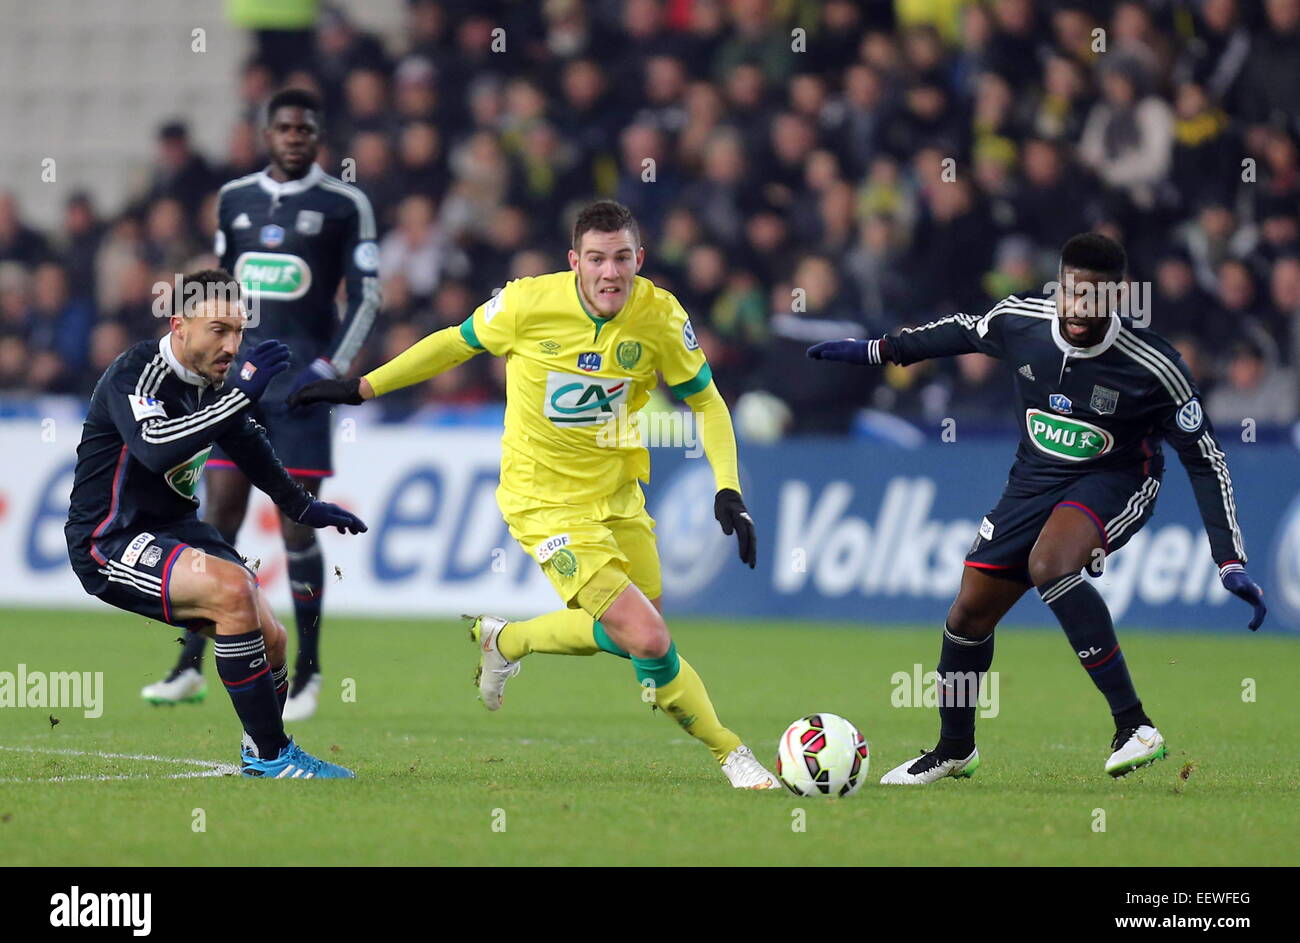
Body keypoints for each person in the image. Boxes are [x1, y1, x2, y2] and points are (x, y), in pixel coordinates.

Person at [290, 199, 780, 789]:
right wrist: (363, 387)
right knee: (650, 638)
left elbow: (706, 401)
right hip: (543, 502)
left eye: (622, 258)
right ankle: (732, 753)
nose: (610, 273)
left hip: (619, 495)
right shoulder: (526, 303)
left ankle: (508, 638)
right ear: (574, 261)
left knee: (634, 636)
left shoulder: (660, 316)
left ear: (640, 259)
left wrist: (728, 488)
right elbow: (453, 344)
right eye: (596, 259)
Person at [808, 232, 1266, 783]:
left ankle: (1135, 726)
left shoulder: (1153, 366)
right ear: (1059, 286)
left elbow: (1205, 460)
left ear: (1117, 297)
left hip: (1117, 479)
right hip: (1033, 481)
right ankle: (955, 750)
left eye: (1093, 296)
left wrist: (1229, 558)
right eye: (1071, 292)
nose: (1079, 307)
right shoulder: (1021, 322)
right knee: (967, 615)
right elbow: (960, 332)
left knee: (1050, 564)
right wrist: (879, 350)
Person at [65, 269, 368, 778]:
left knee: (272, 639)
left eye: (239, 331)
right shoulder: (135, 373)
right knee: (231, 591)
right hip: (110, 538)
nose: (232, 345)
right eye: (219, 330)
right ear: (179, 326)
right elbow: (155, 447)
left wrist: (301, 506)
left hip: (176, 528)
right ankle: (272, 756)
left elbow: (246, 443)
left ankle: (259, 747)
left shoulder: (212, 381)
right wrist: (238, 398)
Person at [143, 89, 381, 721]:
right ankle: (188, 667)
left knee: (296, 524)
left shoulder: (344, 204)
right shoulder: (235, 198)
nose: (294, 136)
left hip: (300, 391)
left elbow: (367, 295)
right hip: (235, 386)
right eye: (284, 127)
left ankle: (308, 673)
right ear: (266, 133)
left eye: (305, 128)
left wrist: (330, 367)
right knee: (217, 518)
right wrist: (202, 359)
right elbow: (221, 291)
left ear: (318, 136)